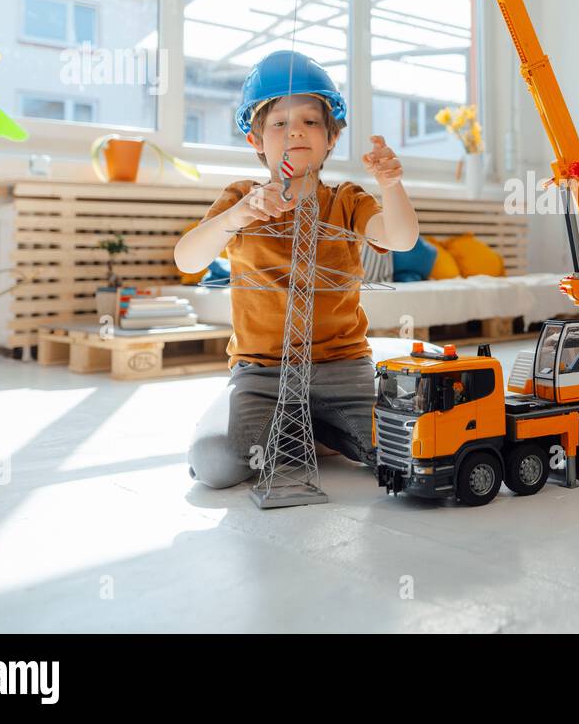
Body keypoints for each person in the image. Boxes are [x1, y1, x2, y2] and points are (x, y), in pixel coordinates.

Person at [176, 50, 419, 488]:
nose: (296, 132)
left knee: (410, 448)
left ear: (330, 139)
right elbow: (187, 259)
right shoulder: (240, 199)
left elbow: (400, 238)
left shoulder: (346, 199)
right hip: (261, 372)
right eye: (279, 123)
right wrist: (235, 218)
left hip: (341, 365)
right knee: (216, 463)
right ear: (256, 140)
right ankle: (307, 427)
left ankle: (316, 428)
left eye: (310, 121)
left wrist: (391, 185)